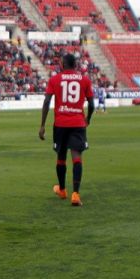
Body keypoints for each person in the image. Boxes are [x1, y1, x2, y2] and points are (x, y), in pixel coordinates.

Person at [38, 53, 95, 207]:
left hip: (61, 124)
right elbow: (91, 104)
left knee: (61, 156)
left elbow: (47, 101)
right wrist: (88, 119)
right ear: (75, 65)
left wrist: (42, 125)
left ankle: (62, 190)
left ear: (62, 64)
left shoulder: (55, 79)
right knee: (76, 157)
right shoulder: (84, 80)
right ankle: (75, 194)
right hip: (78, 123)